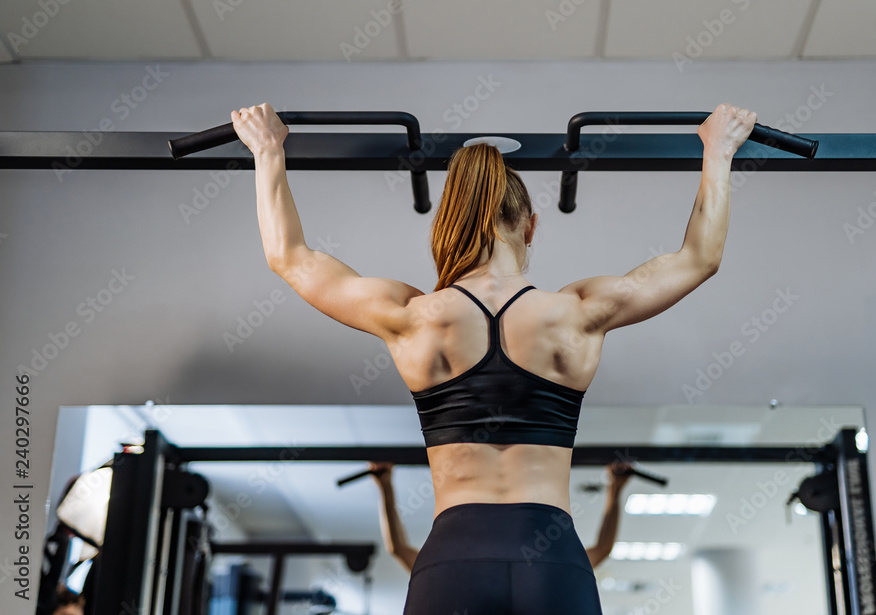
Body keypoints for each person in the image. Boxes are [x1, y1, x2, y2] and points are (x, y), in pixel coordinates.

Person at [232, 101, 756, 614]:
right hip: (553, 562)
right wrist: (719, 148)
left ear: (446, 228)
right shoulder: (577, 313)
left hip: (453, 563)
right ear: (530, 227)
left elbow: (290, 258)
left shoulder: (411, 316)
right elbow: (699, 258)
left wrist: (267, 149)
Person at [367, 461, 634, 572]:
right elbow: (602, 549)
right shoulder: (543, 571)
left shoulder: (460, 577)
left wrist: (386, 488)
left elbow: (399, 550)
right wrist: (615, 490)